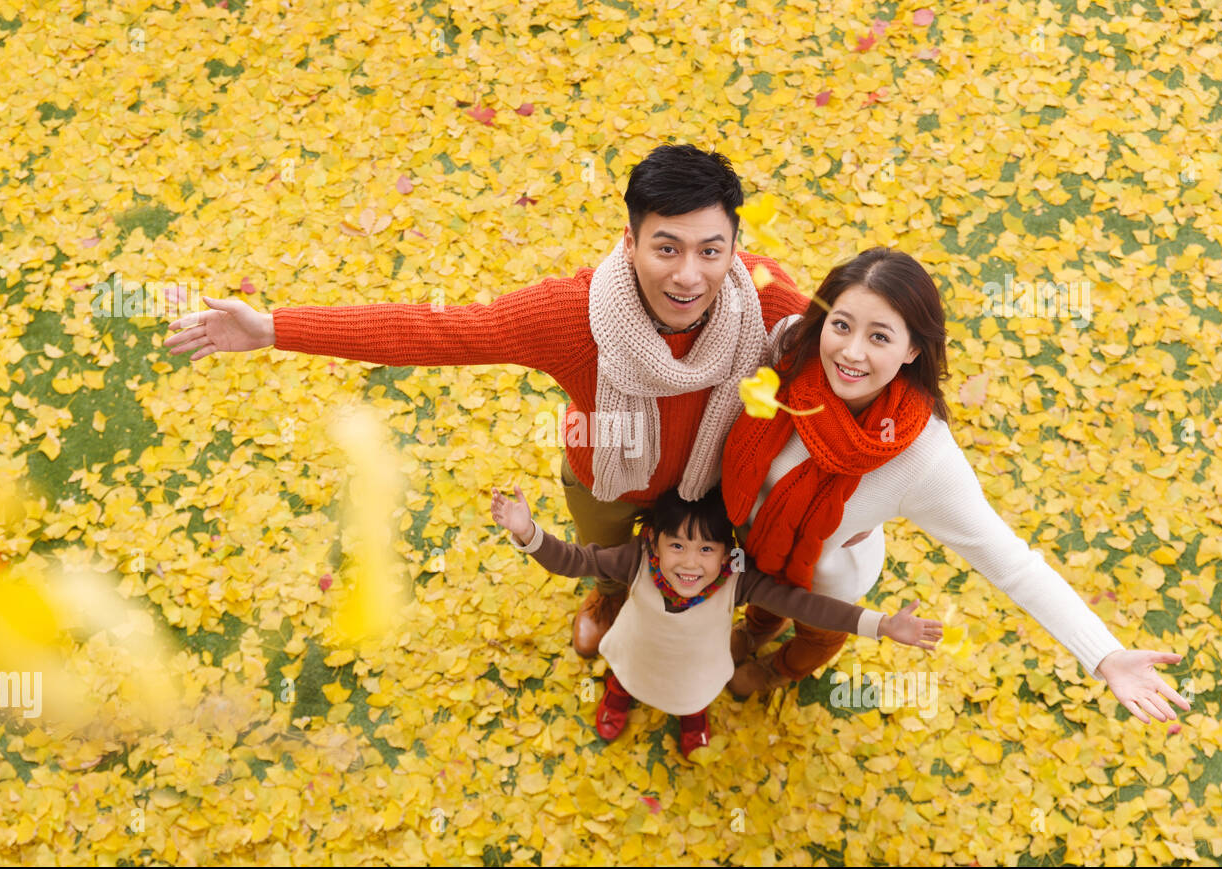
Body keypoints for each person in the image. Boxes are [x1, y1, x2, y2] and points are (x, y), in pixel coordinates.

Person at [162, 144, 816, 658]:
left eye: (710, 251)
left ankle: (716, 632)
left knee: (703, 570)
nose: (688, 275)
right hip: (607, 480)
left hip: (715, 484)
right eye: (666, 248)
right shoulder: (575, 314)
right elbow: (440, 330)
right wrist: (274, 328)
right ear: (630, 240)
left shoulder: (765, 300)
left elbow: (849, 363)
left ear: (735, 245)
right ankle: (610, 601)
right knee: (612, 559)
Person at [720, 247, 1190, 725]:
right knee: (762, 597)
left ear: (912, 350)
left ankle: (780, 668)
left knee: (816, 635)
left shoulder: (923, 459)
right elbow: (727, 265)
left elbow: (1012, 564)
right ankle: (756, 629)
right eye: (840, 325)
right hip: (747, 545)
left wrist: (1105, 655)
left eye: (879, 336)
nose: (851, 351)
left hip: (828, 573)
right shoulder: (787, 356)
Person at [490, 482, 943, 758]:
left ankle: (692, 717)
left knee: (693, 694)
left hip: (698, 667)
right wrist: (529, 533)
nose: (691, 564)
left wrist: (880, 624)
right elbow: (571, 560)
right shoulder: (636, 559)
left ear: (728, 554)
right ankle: (617, 695)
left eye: (707, 549)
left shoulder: (738, 581)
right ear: (654, 540)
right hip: (637, 650)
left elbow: (806, 606)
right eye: (678, 546)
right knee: (627, 675)